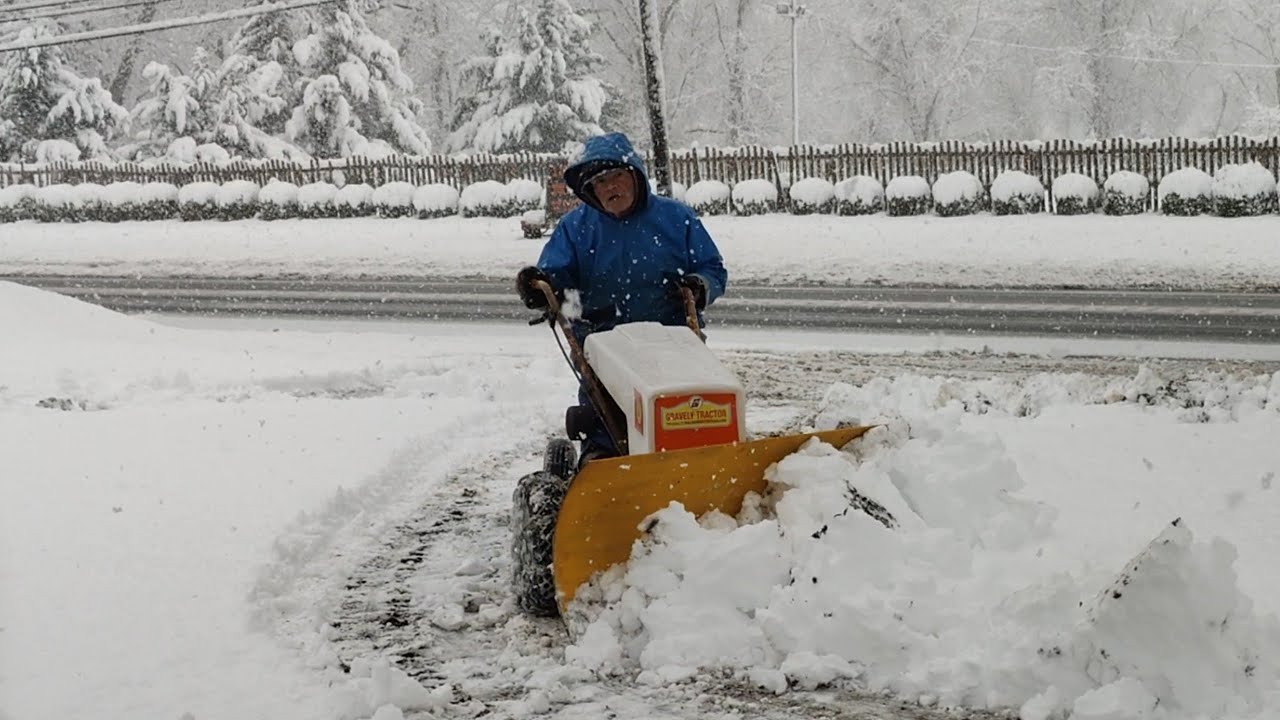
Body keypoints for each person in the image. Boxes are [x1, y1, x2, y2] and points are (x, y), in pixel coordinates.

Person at [515, 131, 728, 463]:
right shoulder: (576, 228)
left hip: (672, 340)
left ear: (635, 175)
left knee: (681, 410)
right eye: (600, 182)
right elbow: (556, 277)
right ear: (589, 191)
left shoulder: (676, 219)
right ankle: (601, 460)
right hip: (603, 343)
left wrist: (699, 286)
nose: (610, 187)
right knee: (607, 418)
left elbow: (712, 268)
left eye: (616, 175)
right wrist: (539, 286)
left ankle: (696, 460)